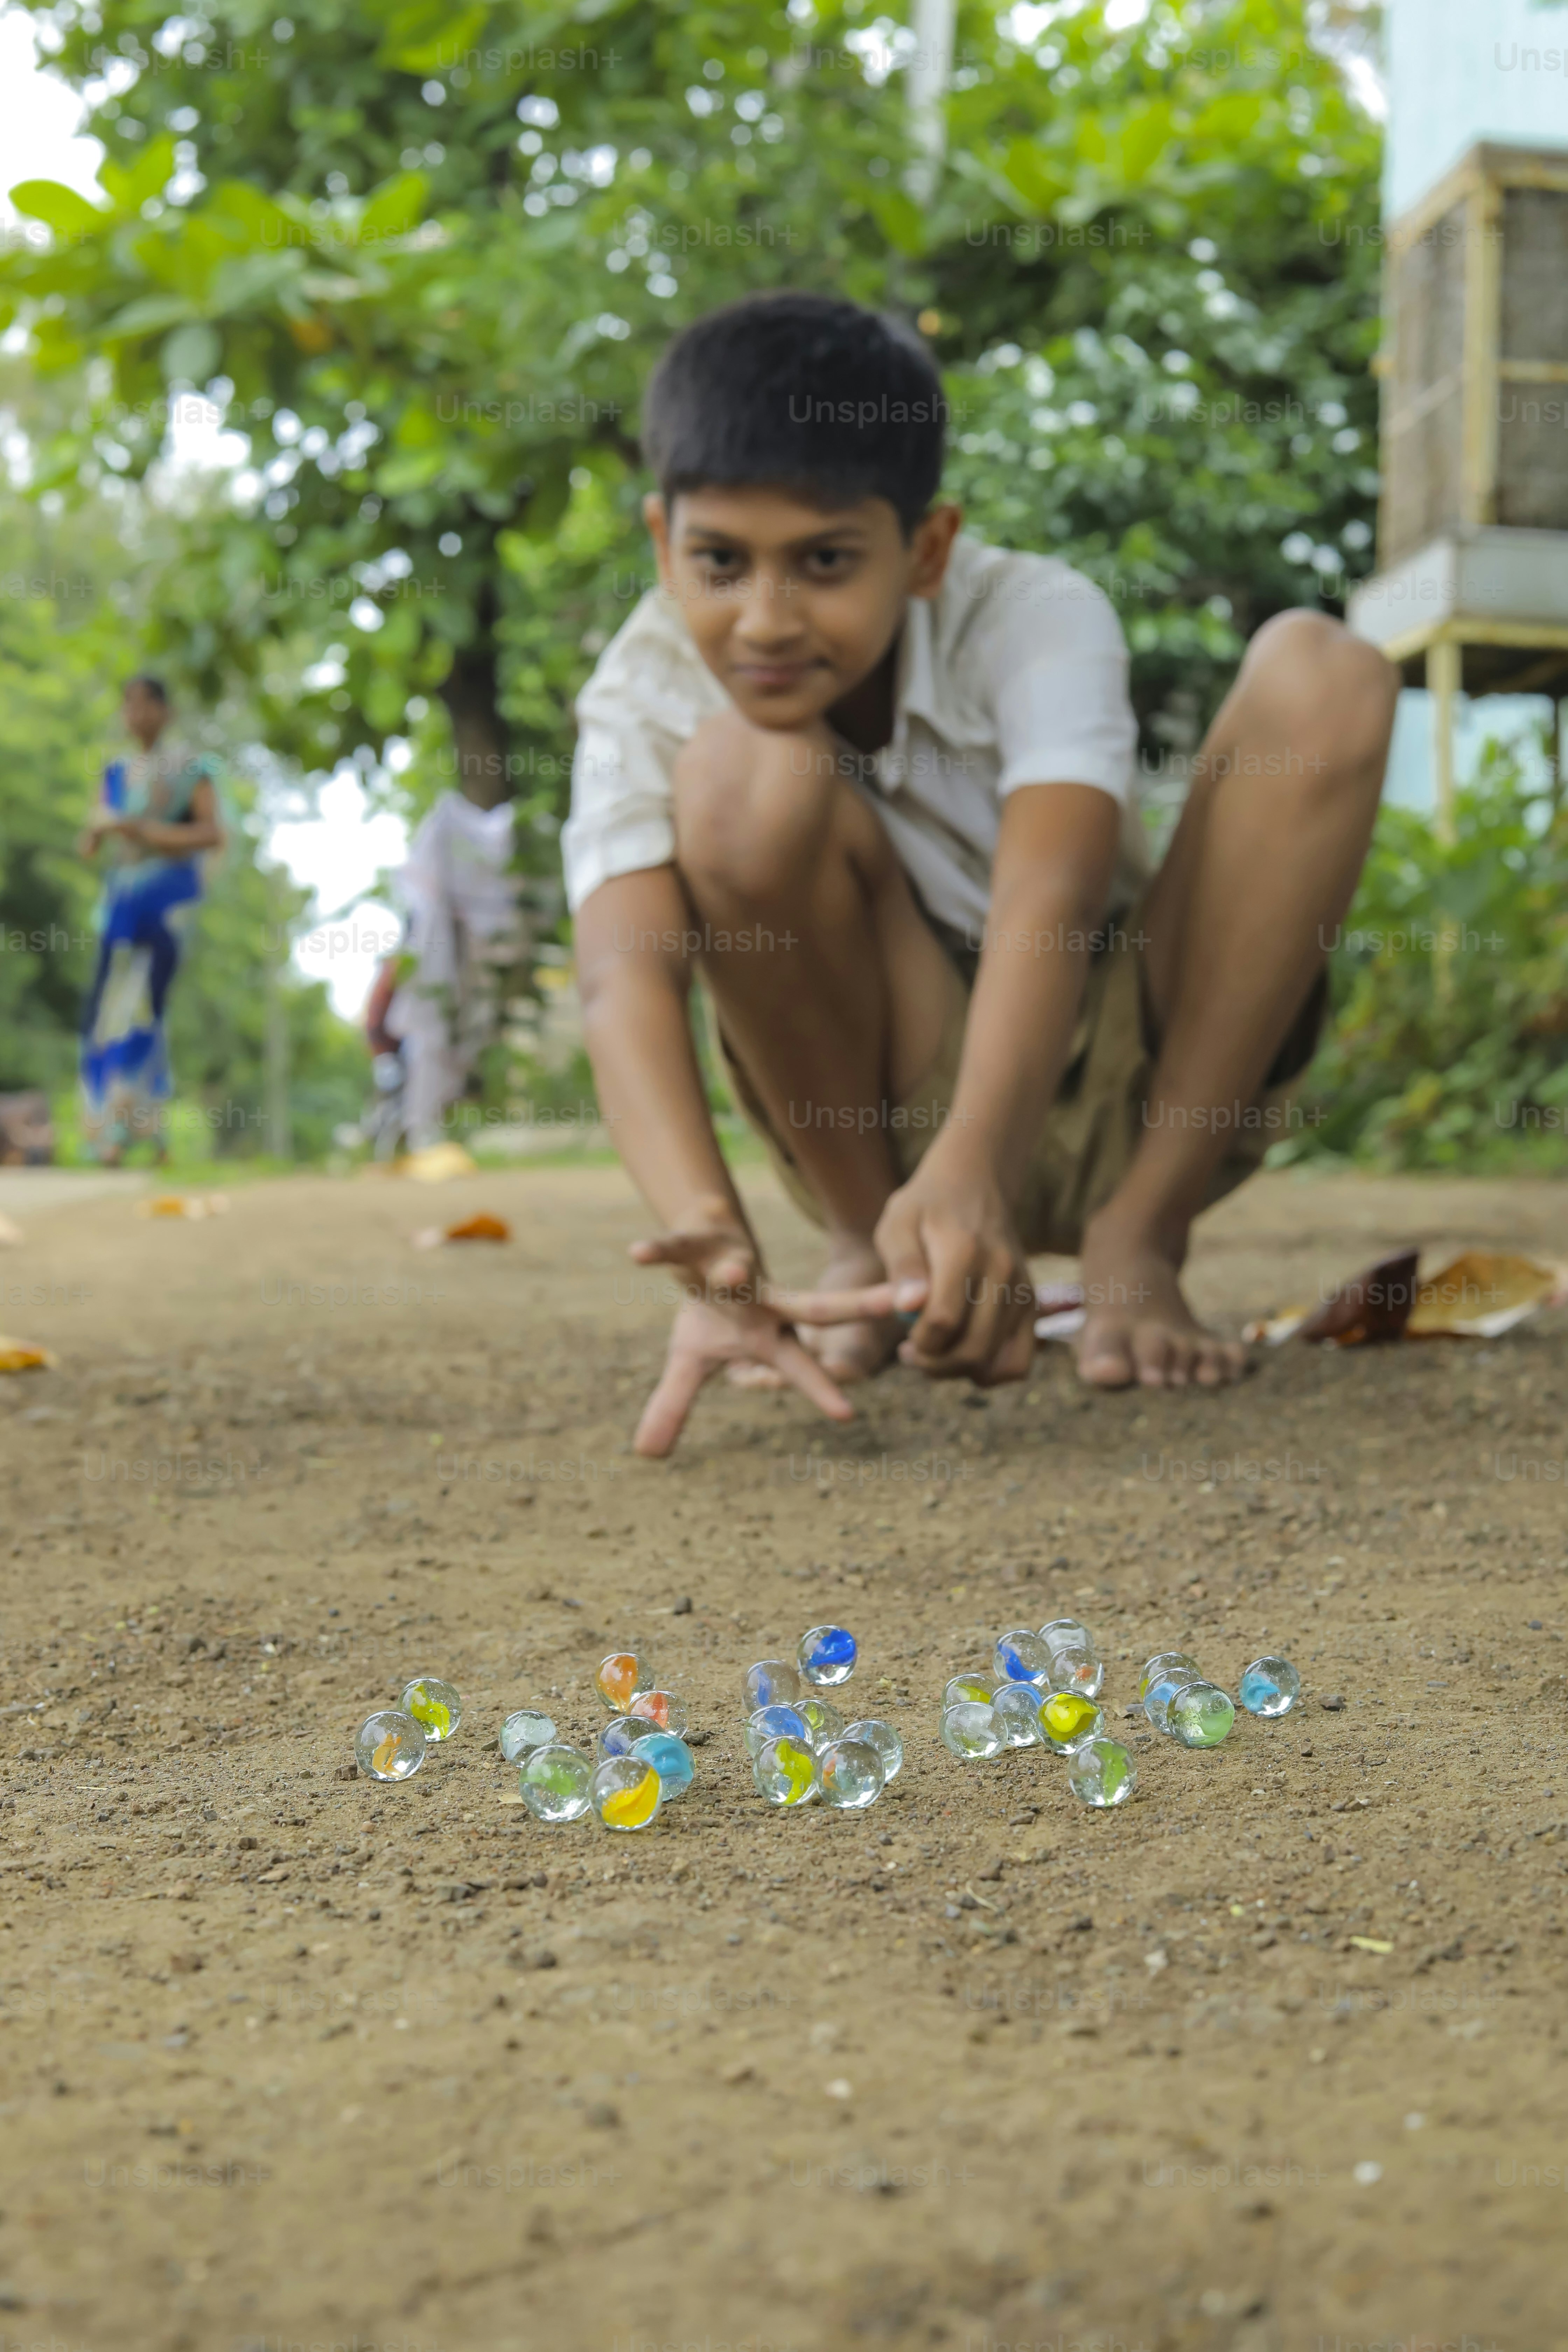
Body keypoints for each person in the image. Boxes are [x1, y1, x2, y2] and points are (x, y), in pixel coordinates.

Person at [567, 292, 1398, 1457]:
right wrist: (707, 1236)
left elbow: (1048, 904)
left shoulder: (1036, 617)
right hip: (883, 1103)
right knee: (739, 781)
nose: (765, 619)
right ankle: (874, 1251)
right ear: (662, 544)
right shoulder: (645, 687)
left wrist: (979, 1173)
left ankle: (1138, 1239)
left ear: (928, 548)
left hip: (1136, 1066)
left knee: (1328, 669)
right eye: (719, 561)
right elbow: (622, 980)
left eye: (822, 562)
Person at [78, 676, 224, 1165]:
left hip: (166, 900)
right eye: (129, 706)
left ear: (166, 711)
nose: (137, 715)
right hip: (121, 904)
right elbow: (90, 843)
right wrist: (102, 830)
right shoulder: (116, 772)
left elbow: (211, 833)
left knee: (145, 1007)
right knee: (107, 1011)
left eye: (146, 705)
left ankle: (134, 1128)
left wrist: (144, 830)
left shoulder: (189, 768)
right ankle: (113, 1129)